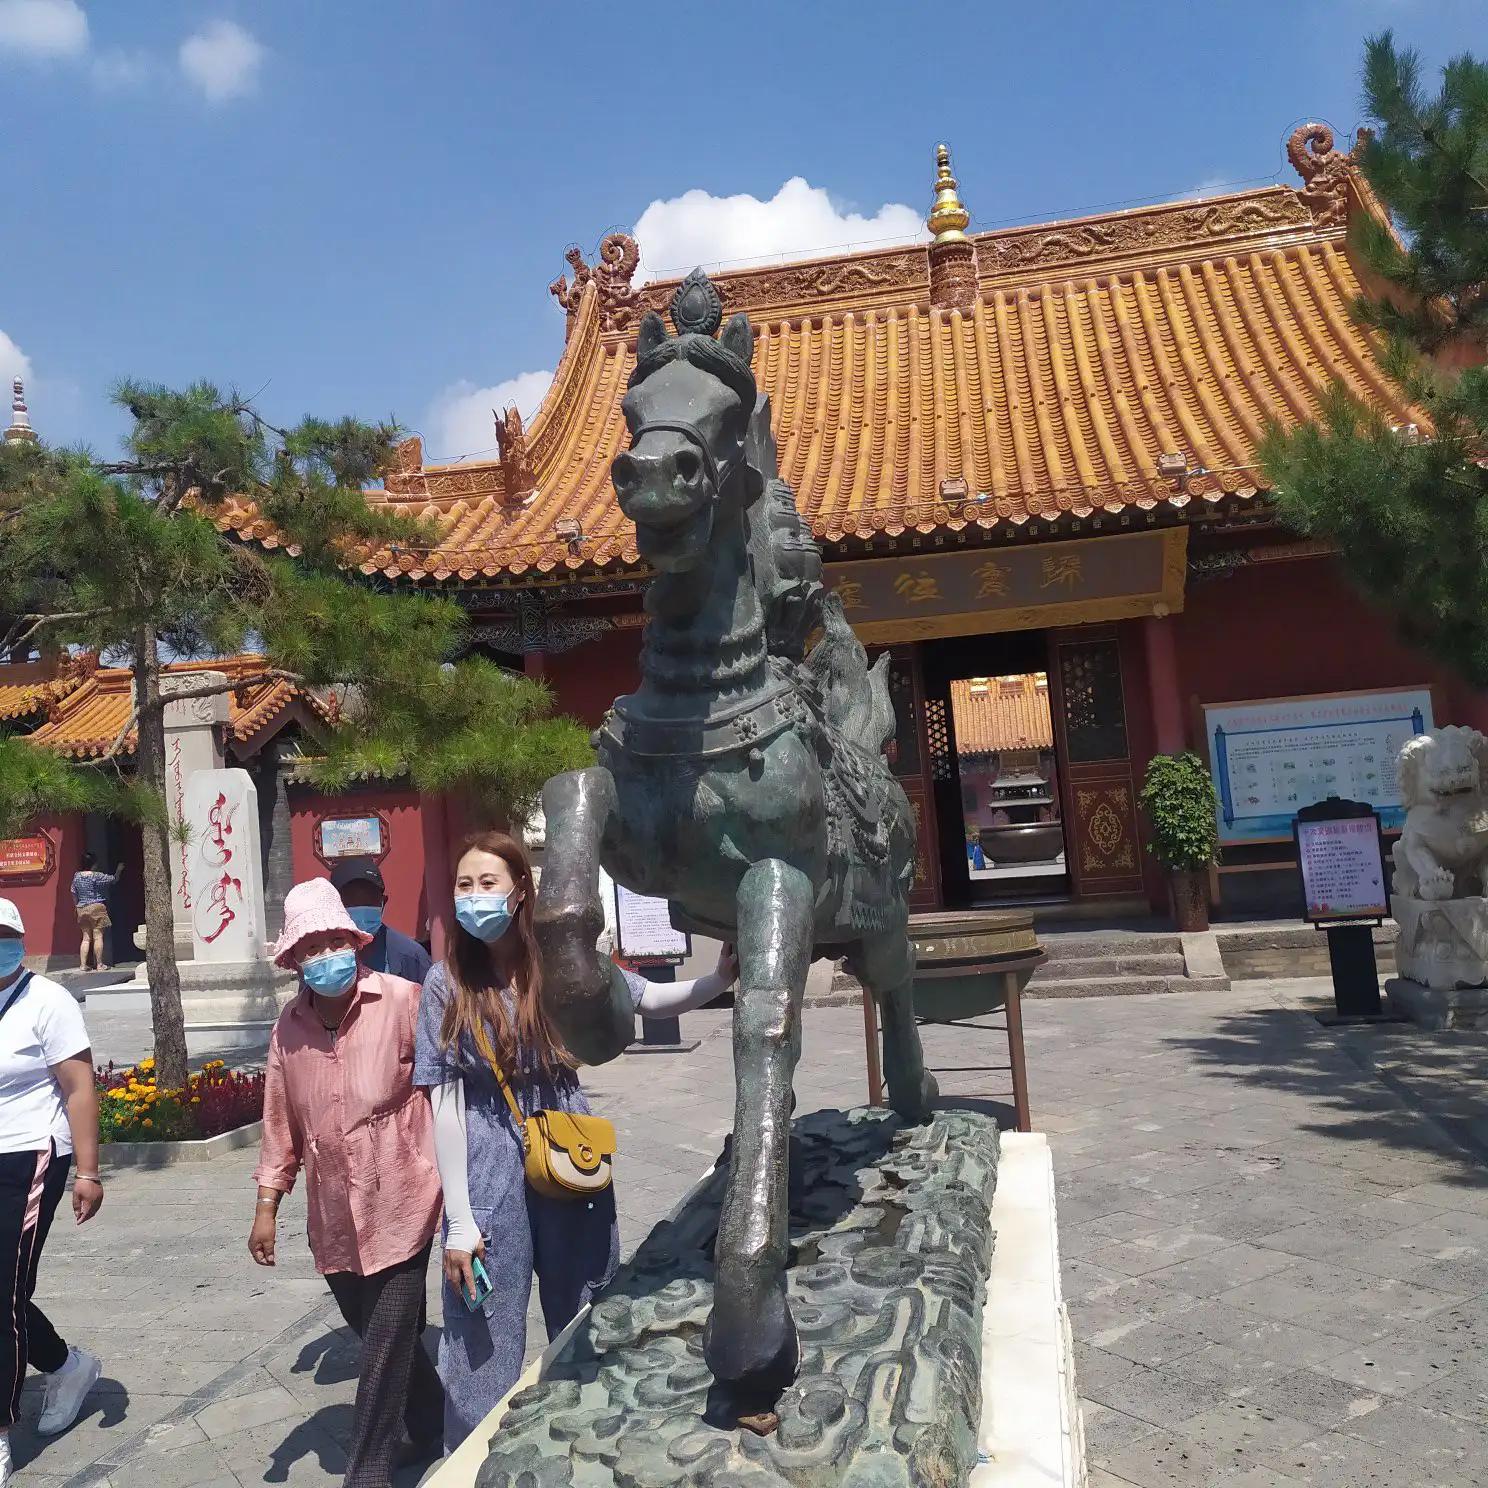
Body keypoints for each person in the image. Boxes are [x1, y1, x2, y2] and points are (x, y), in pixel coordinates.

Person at [415, 830, 736, 1453]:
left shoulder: (562, 965)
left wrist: (715, 981)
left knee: (588, 1306)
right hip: (484, 1160)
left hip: (568, 1143)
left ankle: (591, 1438)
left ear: (520, 893)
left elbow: (644, 998)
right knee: (481, 1328)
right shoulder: (444, 983)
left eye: (488, 884)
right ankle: (478, 1456)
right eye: (463, 884)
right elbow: (445, 1102)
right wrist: (458, 1220)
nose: (473, 896)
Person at [249, 878, 444, 1488]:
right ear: (295, 961)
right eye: (312, 947)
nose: (327, 954)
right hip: (331, 1210)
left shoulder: (406, 1001)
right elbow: (281, 1121)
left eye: (336, 940)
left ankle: (367, 1472)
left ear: (355, 943)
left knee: (384, 1346)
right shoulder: (288, 1028)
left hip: (406, 1195)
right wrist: (267, 1203)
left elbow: (450, 1094)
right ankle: (433, 1415)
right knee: (380, 1332)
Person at [0, 898, 103, 1485]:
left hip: (31, 1153)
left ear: (20, 939)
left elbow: (79, 1088)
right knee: (3, 1291)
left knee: (3, 1290)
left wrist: (88, 1171)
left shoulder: (48, 1001)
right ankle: (67, 1366)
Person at [330, 859, 431, 985]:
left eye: (369, 899)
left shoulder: (411, 956)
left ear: (383, 902)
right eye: (350, 899)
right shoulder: (321, 959)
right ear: (332, 904)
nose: (361, 907)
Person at [70, 853, 122, 974]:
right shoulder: (97, 876)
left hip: (82, 908)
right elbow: (113, 879)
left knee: (86, 938)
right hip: (97, 907)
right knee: (98, 936)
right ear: (94, 864)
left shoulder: (76, 876)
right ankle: (99, 964)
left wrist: (77, 906)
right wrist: (119, 870)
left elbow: (73, 892)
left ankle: (83, 965)